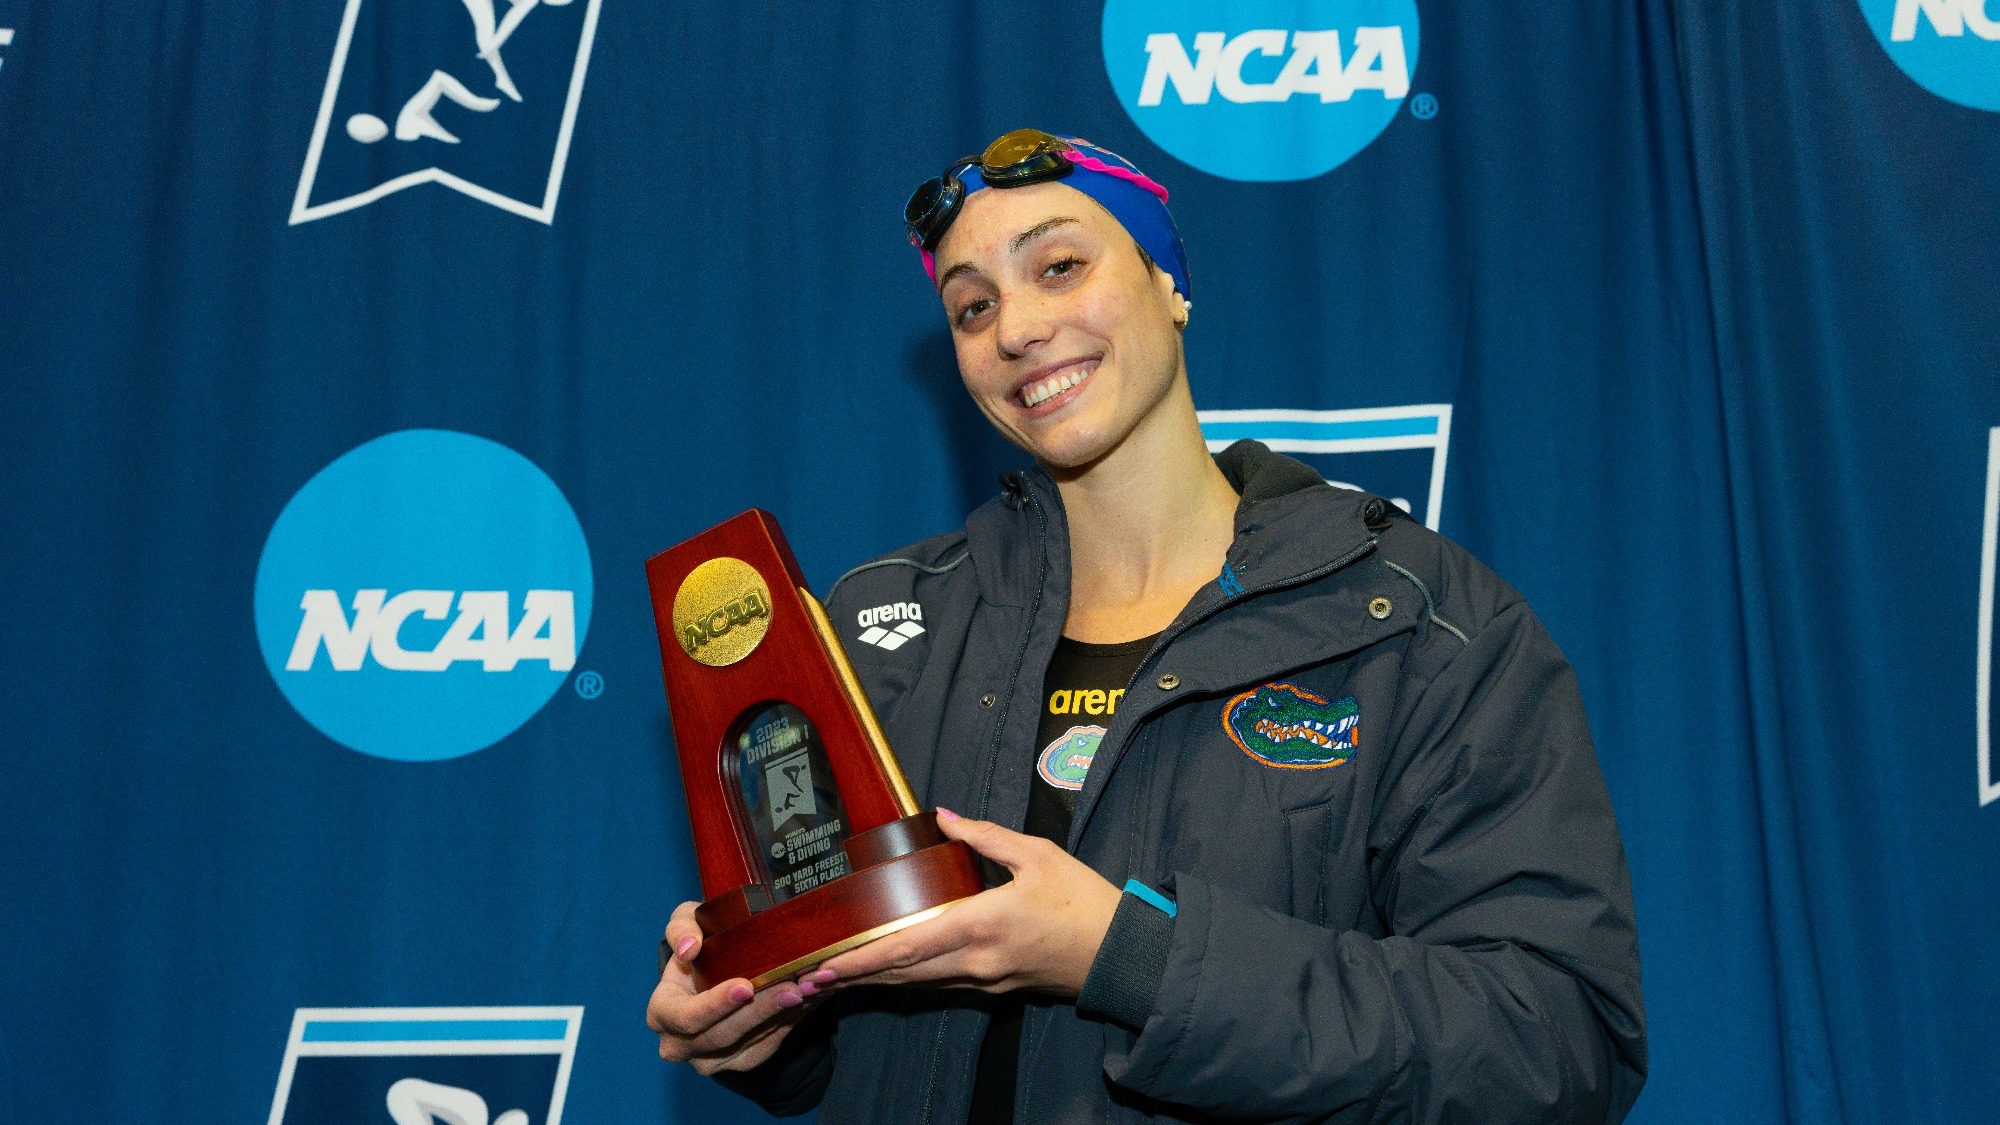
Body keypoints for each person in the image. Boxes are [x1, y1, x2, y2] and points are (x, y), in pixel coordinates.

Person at [647, 129, 1646, 1123]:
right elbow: (844, 1028)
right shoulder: (876, 626)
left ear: (1169, 282)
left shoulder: (1414, 624)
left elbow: (1553, 1046)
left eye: (1059, 266)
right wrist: (757, 1020)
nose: (1016, 329)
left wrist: (1127, 955)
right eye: (971, 305)